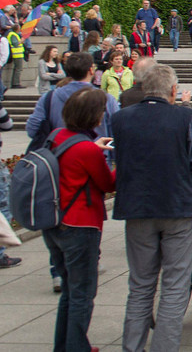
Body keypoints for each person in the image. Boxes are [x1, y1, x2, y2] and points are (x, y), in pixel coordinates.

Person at [112, 64, 192, 352]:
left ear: (144, 89)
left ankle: (132, 347)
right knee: (174, 286)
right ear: (172, 91)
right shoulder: (182, 117)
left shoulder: (121, 119)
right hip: (179, 207)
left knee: (141, 285)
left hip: (137, 209)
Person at [41, 88, 117, 352]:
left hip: (53, 222)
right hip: (80, 226)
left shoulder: (56, 137)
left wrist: (93, 149)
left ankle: (64, 345)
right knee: (83, 294)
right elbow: (108, 183)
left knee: (70, 294)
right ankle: (76, 348)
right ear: (93, 116)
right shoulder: (87, 150)